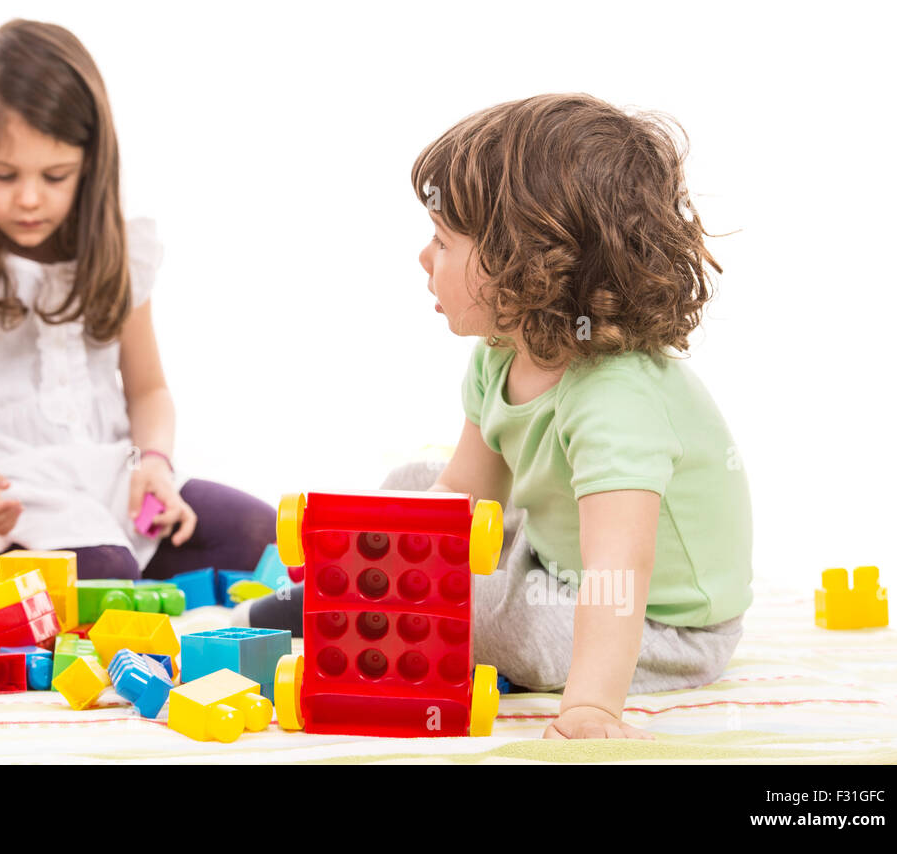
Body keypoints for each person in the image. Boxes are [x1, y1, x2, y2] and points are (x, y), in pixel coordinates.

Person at [240, 94, 752, 740]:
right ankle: (348, 600)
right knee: (411, 486)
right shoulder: (497, 358)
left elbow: (619, 571)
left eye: (442, 240)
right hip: (554, 556)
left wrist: (590, 708)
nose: (423, 258)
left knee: (481, 614)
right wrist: (395, 560)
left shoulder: (617, 402)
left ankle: (355, 607)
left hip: (661, 626)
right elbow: (463, 495)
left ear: (525, 265)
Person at [0, 18, 273, 581]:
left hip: (110, 478)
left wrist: (154, 463)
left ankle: (16, 572)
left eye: (56, 175)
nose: (30, 198)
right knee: (104, 570)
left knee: (261, 537)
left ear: (90, 165)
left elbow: (148, 389)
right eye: (4, 174)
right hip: (8, 489)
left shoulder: (119, 251)